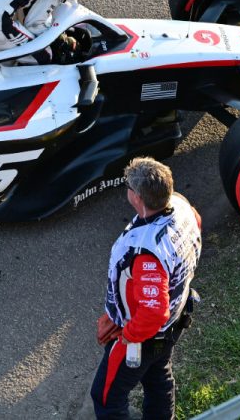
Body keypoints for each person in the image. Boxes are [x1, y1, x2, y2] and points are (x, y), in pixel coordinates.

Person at [91, 157, 202, 419]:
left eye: (129, 186)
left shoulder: (146, 254)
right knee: (158, 377)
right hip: (175, 320)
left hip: (145, 336)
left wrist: (127, 336)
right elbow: (196, 223)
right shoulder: (181, 206)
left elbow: (153, 313)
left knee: (106, 397)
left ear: (137, 197)